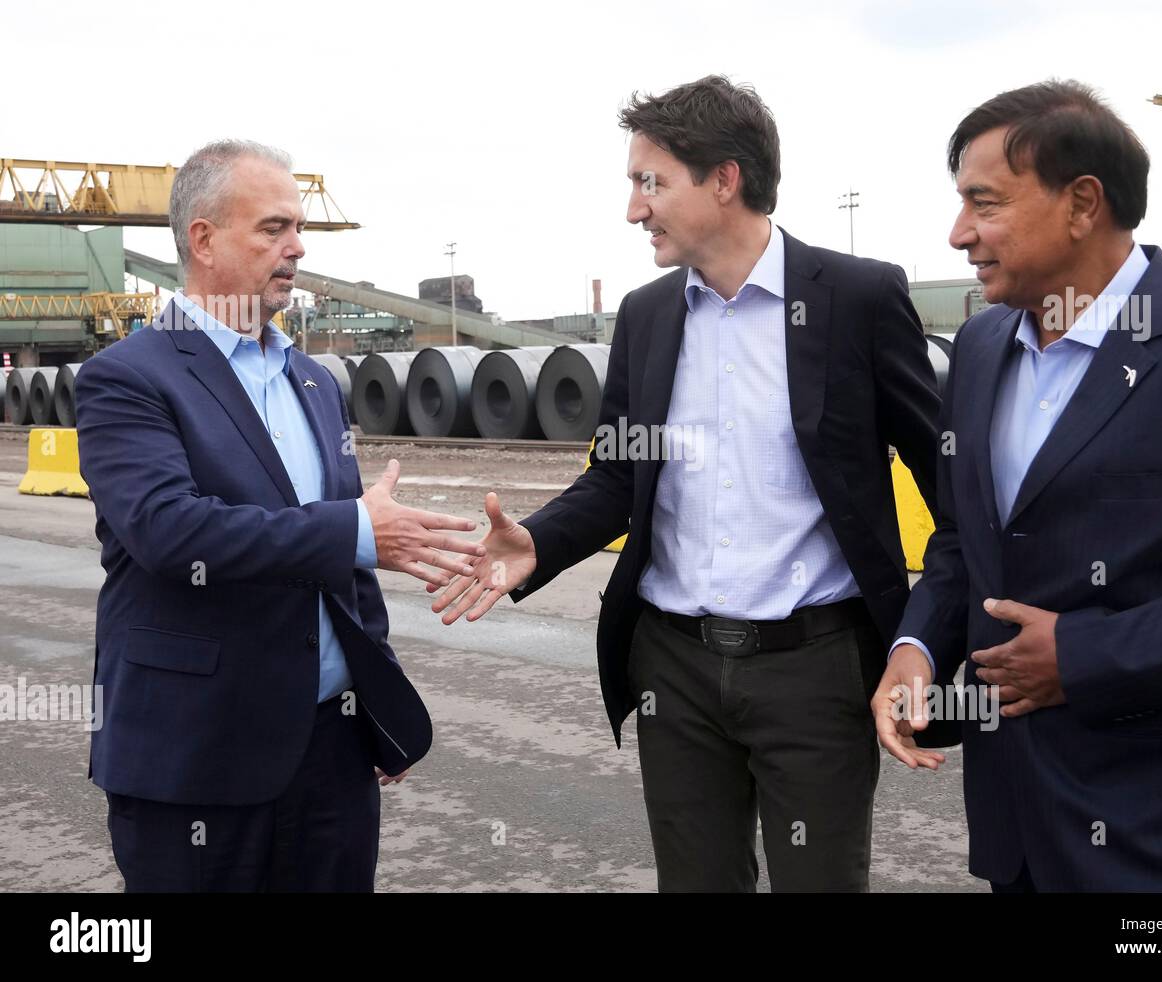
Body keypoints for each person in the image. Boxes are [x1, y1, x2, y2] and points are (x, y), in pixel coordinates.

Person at [433, 76, 940, 892]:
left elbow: (945, 484)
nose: (636, 209)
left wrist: (926, 642)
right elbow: (620, 473)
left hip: (816, 672)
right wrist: (539, 539)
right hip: (676, 672)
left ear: (725, 179)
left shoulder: (856, 298)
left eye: (651, 182)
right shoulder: (648, 314)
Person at [872, 80, 1162, 892]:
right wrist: (917, 648)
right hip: (1015, 823)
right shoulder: (980, 346)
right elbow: (965, 538)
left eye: (984, 203)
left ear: (1082, 203)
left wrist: (1083, 655)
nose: (959, 233)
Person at [75, 139, 484, 892]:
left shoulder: (314, 382)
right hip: (197, 759)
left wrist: (374, 705)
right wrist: (359, 531)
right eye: (272, 228)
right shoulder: (127, 379)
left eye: (298, 228)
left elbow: (349, 564)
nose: (296, 247)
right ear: (203, 239)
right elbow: (171, 531)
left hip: (330, 753)